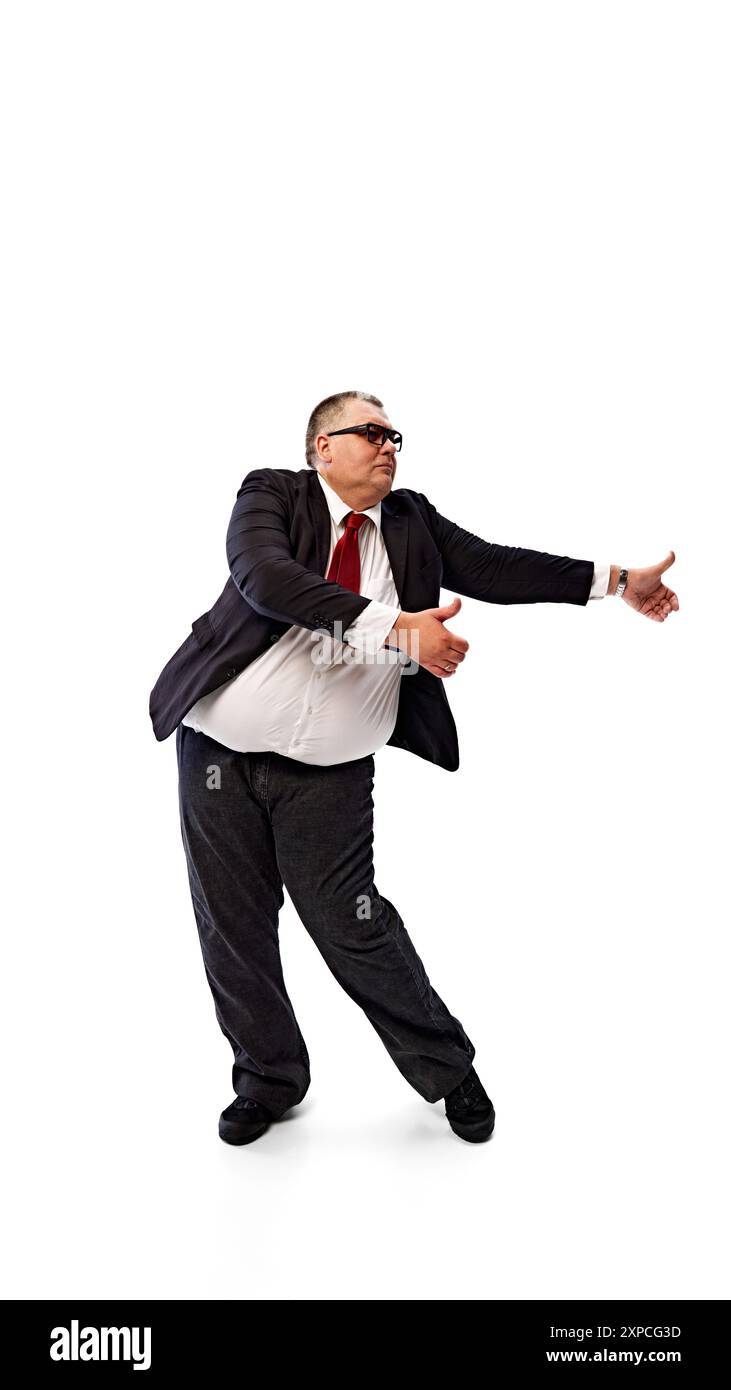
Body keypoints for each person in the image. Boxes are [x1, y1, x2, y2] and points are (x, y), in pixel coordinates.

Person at [149, 390, 679, 1146]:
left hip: (329, 772)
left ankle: (447, 1069)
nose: (388, 444)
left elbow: (496, 567)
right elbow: (264, 578)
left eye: (394, 434)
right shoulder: (269, 493)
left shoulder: (410, 521)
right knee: (232, 923)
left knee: (352, 923)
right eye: (369, 431)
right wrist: (397, 629)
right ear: (320, 446)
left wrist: (615, 580)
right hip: (217, 758)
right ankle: (266, 1079)